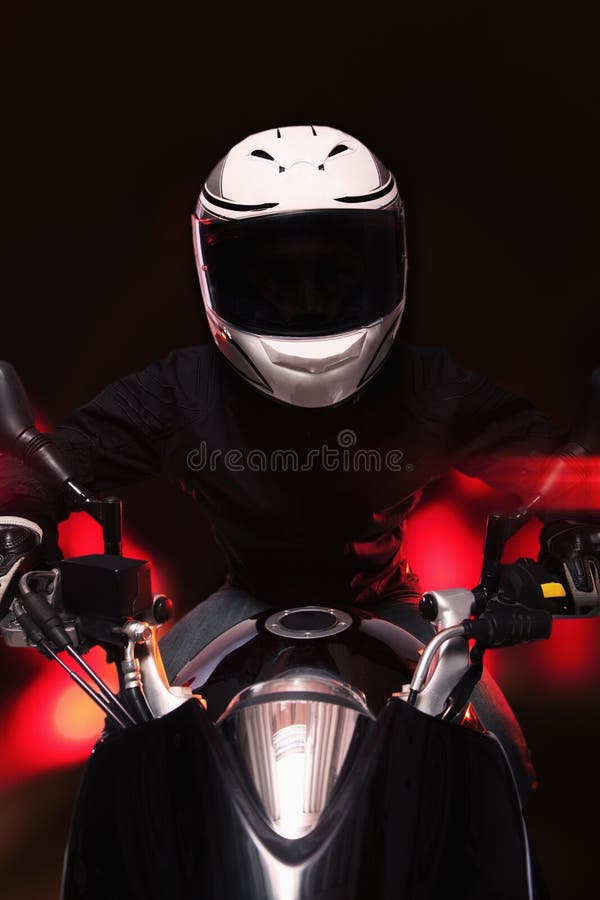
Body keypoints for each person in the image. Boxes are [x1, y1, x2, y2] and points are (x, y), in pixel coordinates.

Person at [0, 125, 597, 799]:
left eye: (334, 273)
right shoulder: (180, 389)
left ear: (389, 264)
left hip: (388, 604)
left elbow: (540, 462)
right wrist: (16, 529)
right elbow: (63, 457)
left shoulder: (425, 385)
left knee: (504, 774)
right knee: (124, 760)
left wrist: (577, 533)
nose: (308, 302)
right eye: (278, 278)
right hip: (256, 600)